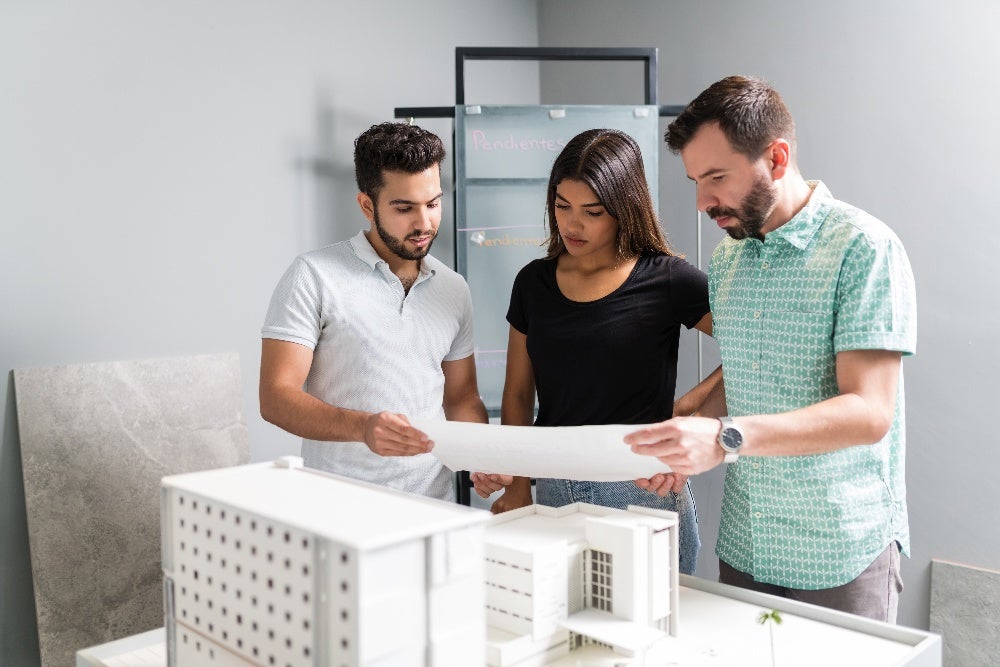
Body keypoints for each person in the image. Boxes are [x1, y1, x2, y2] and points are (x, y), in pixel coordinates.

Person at [625, 76, 917, 622]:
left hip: (839, 555)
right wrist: (682, 428)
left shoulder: (864, 248)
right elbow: (749, 372)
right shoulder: (731, 259)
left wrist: (722, 438)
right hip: (746, 546)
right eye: (695, 180)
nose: (702, 201)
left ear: (777, 158)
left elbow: (870, 412)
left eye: (717, 177)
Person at [472, 128, 713, 575]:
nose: (572, 224)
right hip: (553, 484)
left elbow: (755, 350)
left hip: (642, 488)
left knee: (653, 628)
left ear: (624, 209)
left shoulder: (668, 279)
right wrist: (518, 481)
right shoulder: (533, 283)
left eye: (592, 211)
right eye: (562, 206)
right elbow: (519, 394)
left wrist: (689, 411)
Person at [259, 121, 488, 501]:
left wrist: (482, 455)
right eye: (404, 208)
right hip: (337, 510)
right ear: (367, 205)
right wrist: (363, 427)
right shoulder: (313, 275)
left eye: (433, 204)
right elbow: (276, 397)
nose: (424, 223)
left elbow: (462, 398)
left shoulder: (454, 289)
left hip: (433, 510)